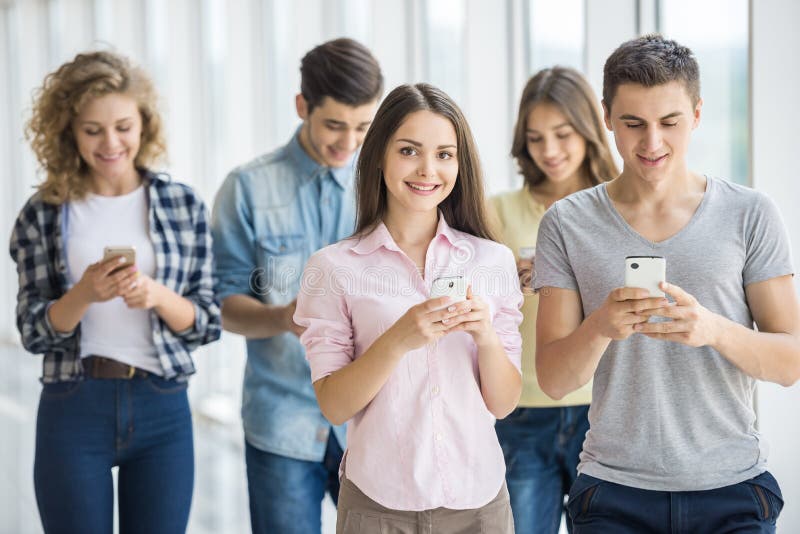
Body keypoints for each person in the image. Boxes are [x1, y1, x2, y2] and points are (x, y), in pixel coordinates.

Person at [534, 34, 799, 533]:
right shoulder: (566, 223)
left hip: (733, 490)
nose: (652, 143)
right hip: (613, 494)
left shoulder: (750, 213)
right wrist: (600, 327)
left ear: (696, 115)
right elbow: (553, 379)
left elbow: (790, 362)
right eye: (633, 123)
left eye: (669, 123)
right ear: (607, 117)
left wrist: (713, 330)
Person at [294, 83, 524, 534]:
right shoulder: (333, 267)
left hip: (479, 503)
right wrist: (399, 339)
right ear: (379, 156)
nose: (427, 169)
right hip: (378, 504)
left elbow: (503, 404)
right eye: (409, 151)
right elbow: (334, 406)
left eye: (444, 154)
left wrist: (486, 338)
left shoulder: (492, 260)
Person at [9, 51, 221, 534]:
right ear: (68, 131)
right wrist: (83, 293)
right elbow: (32, 331)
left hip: (162, 404)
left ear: (144, 125)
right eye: (92, 130)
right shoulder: (43, 213)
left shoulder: (182, 204)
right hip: (73, 404)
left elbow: (208, 323)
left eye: (123, 127)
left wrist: (156, 295)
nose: (110, 143)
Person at [210, 38, 383, 534]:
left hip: (371, 420)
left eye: (363, 127)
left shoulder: (384, 184)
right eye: (334, 125)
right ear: (302, 106)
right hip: (282, 419)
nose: (349, 143)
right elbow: (222, 303)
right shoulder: (247, 187)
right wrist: (281, 318)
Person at [490, 66, 618, 534]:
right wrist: (506, 281)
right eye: (536, 137)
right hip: (522, 410)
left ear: (589, 129)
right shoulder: (498, 210)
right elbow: (468, 300)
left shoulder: (618, 206)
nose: (549, 150)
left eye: (562, 134)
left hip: (603, 406)